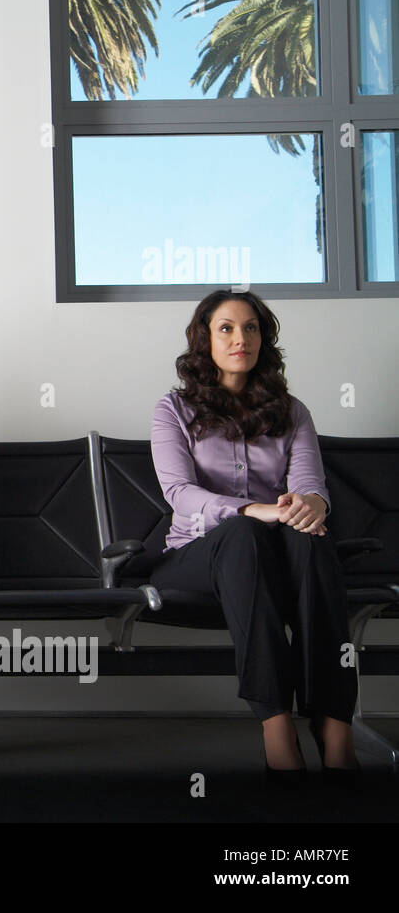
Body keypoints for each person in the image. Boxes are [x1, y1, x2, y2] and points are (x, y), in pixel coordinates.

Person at [150, 289, 358, 784]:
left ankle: (335, 724)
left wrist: (310, 506)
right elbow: (179, 493)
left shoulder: (293, 411)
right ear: (205, 339)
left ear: (264, 339)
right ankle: (276, 726)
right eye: (226, 327)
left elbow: (311, 484)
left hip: (276, 557)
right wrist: (253, 509)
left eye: (251, 328)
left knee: (312, 536)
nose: (240, 338)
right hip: (196, 557)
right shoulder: (174, 409)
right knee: (244, 531)